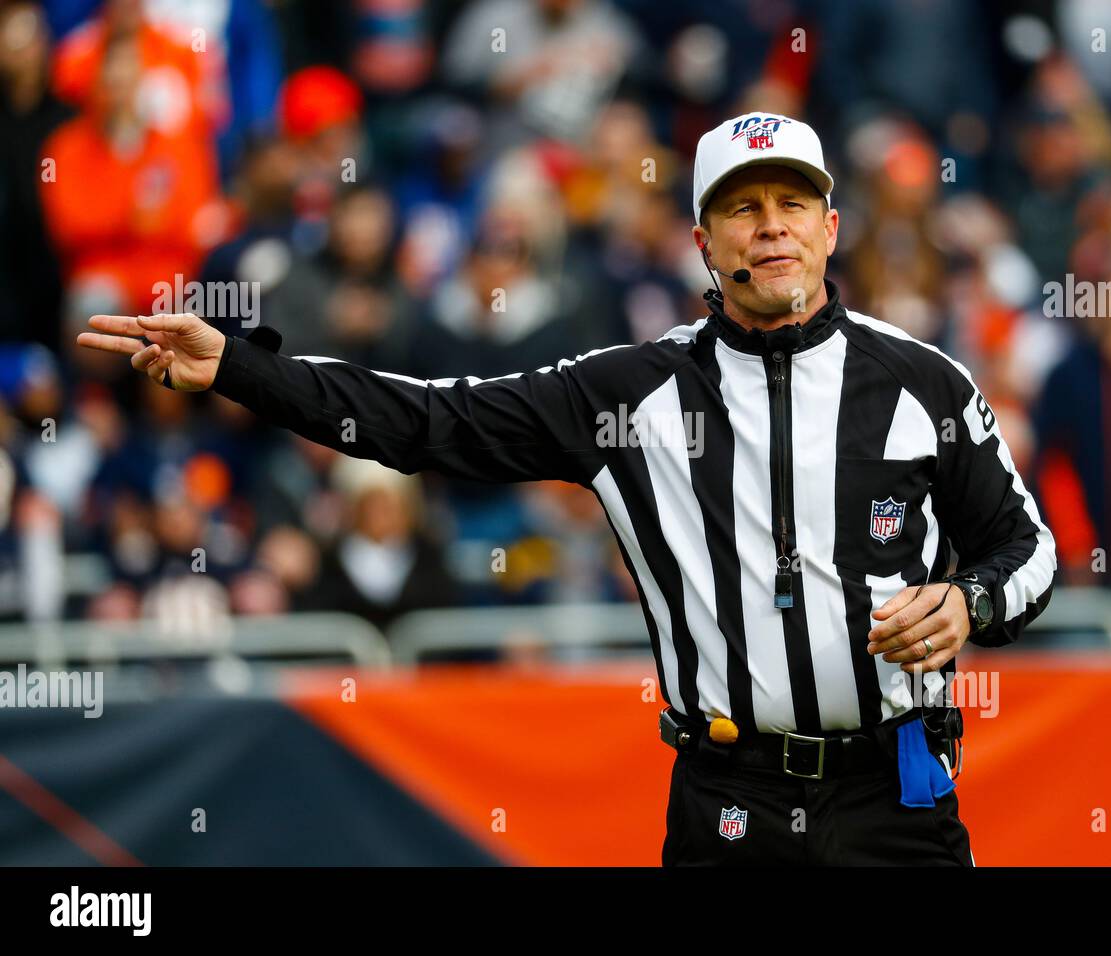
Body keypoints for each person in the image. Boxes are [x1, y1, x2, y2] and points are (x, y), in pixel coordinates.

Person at [77, 111, 1057, 866]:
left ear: (831, 225)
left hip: (897, 791)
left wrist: (967, 601)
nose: (771, 229)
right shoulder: (631, 393)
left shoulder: (925, 381)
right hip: (729, 798)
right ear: (703, 242)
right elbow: (427, 417)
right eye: (742, 208)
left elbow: (1033, 552)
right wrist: (244, 368)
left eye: (792, 203)